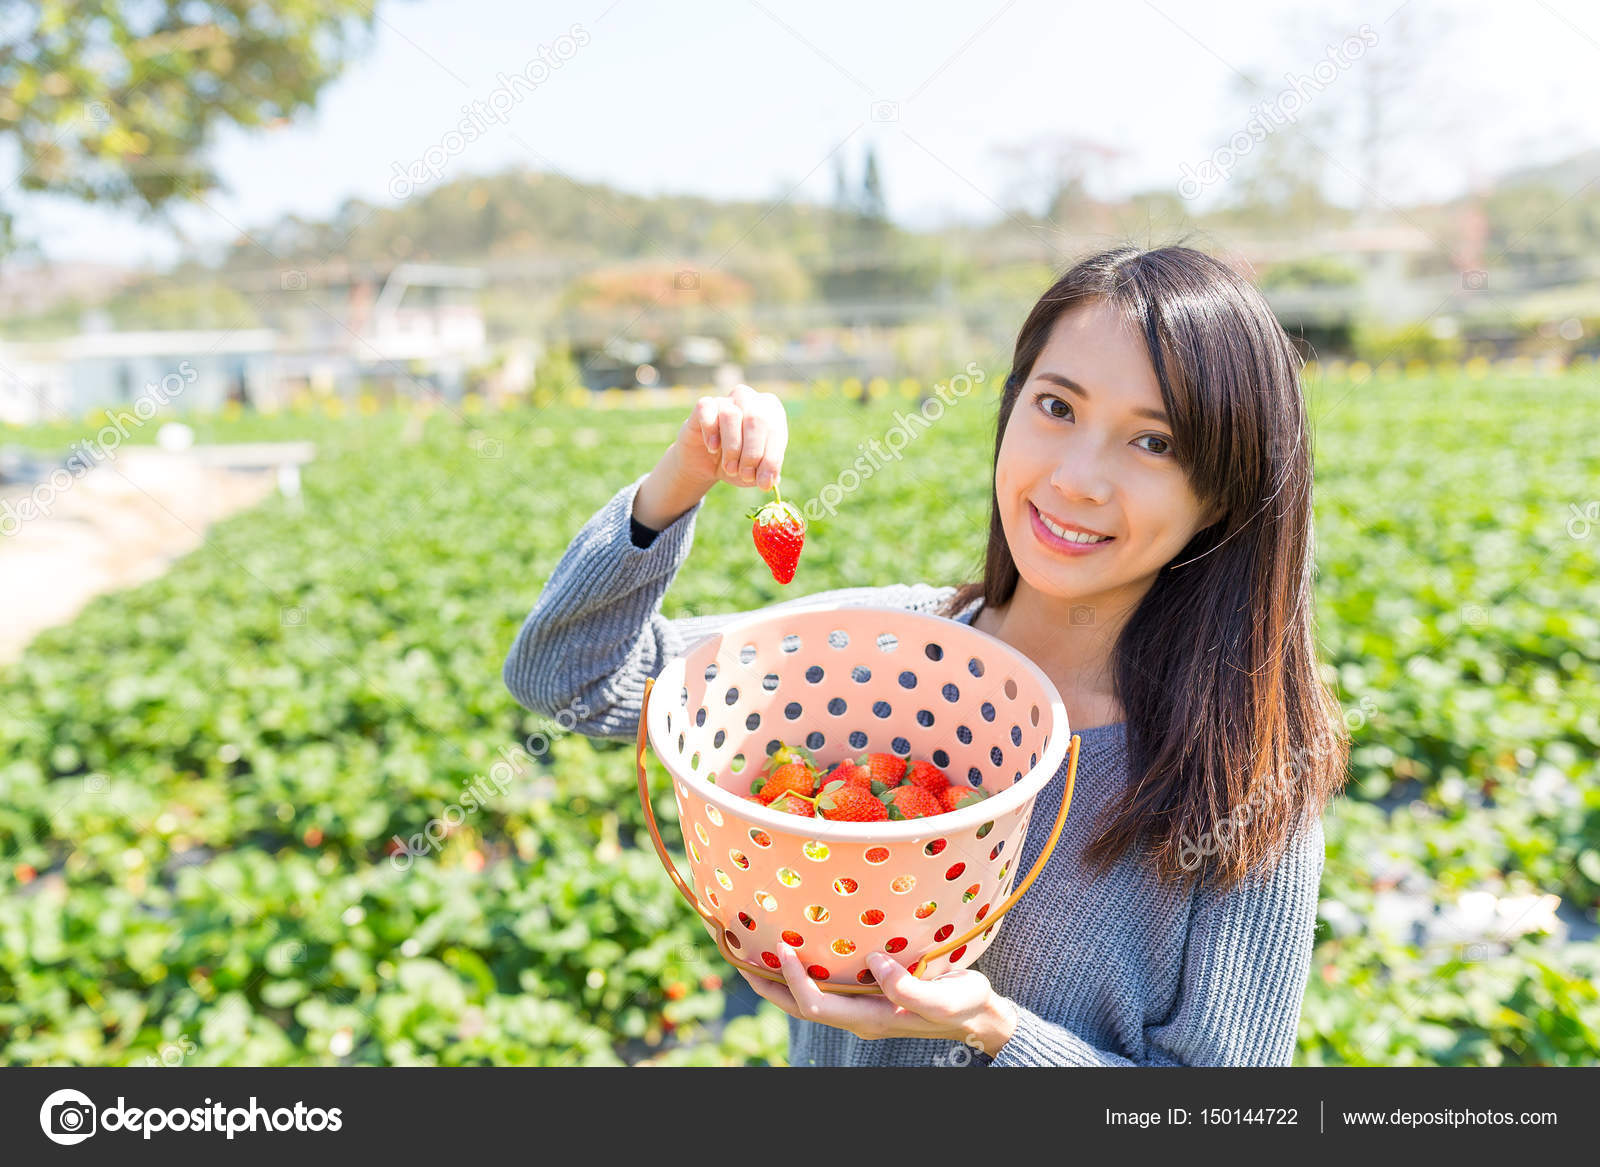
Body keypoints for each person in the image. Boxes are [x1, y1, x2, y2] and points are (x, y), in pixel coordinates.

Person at [503, 243, 1350, 1066]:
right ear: (1011, 408)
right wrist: (677, 482)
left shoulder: (1244, 778)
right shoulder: (883, 650)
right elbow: (571, 680)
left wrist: (994, 1032)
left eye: (1153, 442)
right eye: (1057, 407)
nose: (1078, 479)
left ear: (1222, 495)